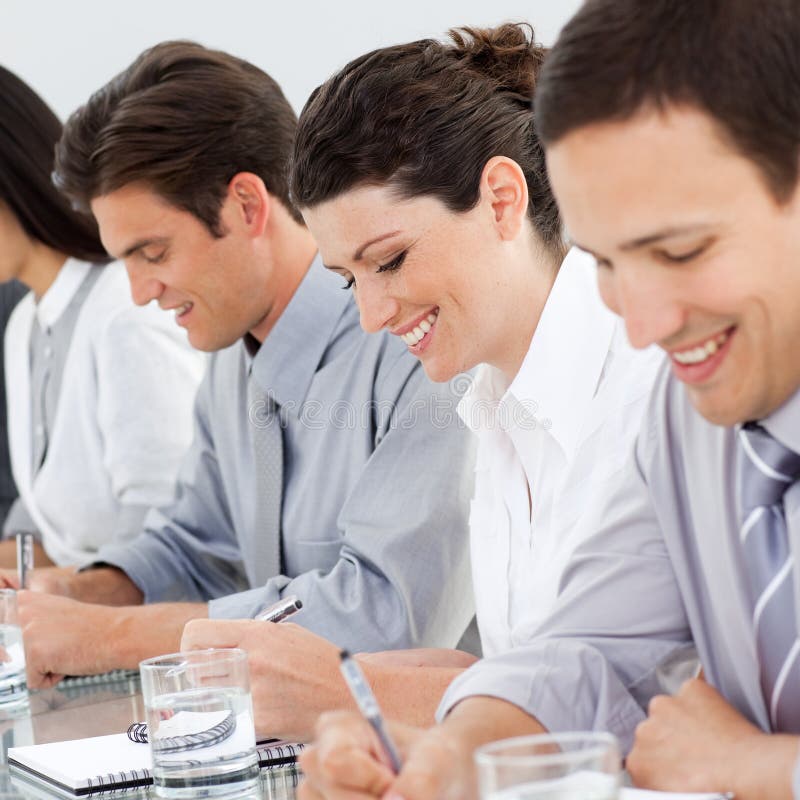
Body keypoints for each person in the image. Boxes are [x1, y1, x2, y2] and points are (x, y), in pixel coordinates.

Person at [297, 1, 800, 798]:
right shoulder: (683, 418)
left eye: (680, 250)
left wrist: (768, 769)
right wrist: (455, 755)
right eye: (603, 261)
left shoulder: (656, 386)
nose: (641, 324)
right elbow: (589, 648)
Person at [16, 41, 475, 740]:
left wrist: (107, 637)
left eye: (153, 254)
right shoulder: (233, 356)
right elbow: (196, 543)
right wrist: (77, 594)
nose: (140, 294)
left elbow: (383, 616)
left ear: (246, 205)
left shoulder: (415, 340)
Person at [266, 18, 659, 751]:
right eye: (347, 279)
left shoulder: (650, 380)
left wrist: (354, 688)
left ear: (502, 199)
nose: (372, 316)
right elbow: (536, 678)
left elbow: (633, 705)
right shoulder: (491, 408)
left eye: (389, 261)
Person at [0, 65, 203, 569]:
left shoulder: (125, 311)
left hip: (140, 628)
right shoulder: (25, 323)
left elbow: (164, 530)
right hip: (70, 622)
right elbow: (40, 529)